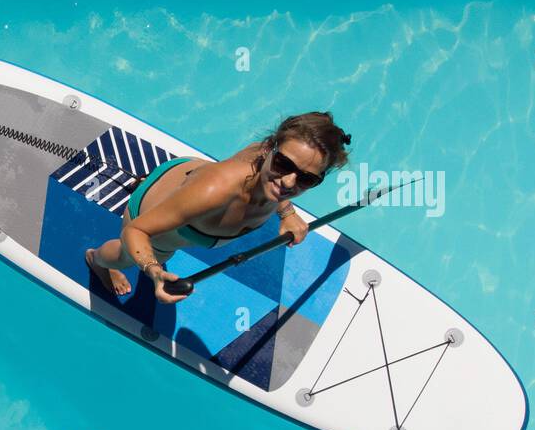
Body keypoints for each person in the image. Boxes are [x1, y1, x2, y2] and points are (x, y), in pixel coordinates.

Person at [85, 112, 351, 302]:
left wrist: (287, 212)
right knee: (125, 255)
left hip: (187, 184)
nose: (289, 182)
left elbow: (283, 182)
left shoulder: (270, 165)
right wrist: (153, 270)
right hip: (149, 220)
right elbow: (136, 232)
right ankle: (97, 260)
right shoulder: (218, 191)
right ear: (270, 148)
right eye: (283, 164)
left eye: (307, 178)